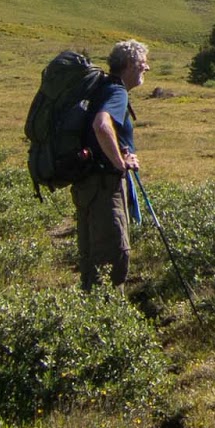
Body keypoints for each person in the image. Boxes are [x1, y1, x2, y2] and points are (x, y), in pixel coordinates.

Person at [73, 39, 148, 290]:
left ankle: (89, 316)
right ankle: (107, 317)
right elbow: (101, 125)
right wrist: (120, 163)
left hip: (88, 186)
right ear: (128, 65)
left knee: (91, 260)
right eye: (142, 63)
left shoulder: (102, 88)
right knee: (113, 256)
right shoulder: (117, 91)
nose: (146, 68)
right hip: (105, 187)